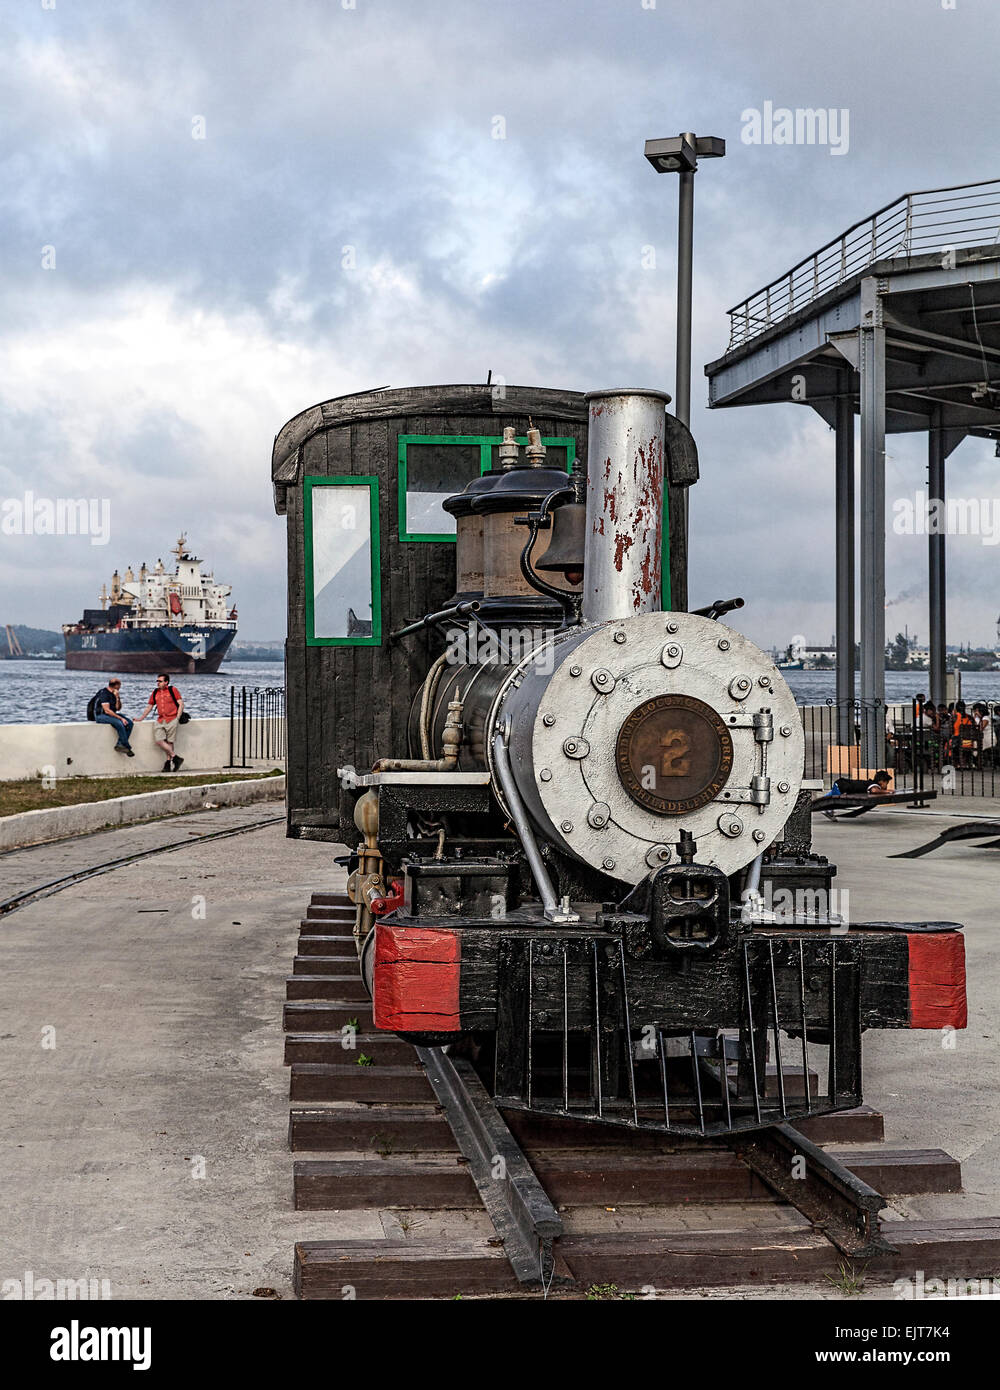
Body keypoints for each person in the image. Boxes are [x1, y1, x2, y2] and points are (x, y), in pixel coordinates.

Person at [136, 674, 185, 771]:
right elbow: (149, 707)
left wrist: (177, 718)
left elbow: (181, 704)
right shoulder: (155, 692)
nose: (158, 683)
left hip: (172, 719)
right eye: (157, 681)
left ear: (166, 682)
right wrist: (140, 718)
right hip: (160, 719)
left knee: (169, 742)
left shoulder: (173, 690)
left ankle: (168, 764)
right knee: (159, 741)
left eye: (160, 681)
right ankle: (176, 758)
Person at [95, 678, 135, 756]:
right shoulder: (104, 693)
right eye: (120, 685)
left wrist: (117, 697)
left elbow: (118, 708)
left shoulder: (114, 693)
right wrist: (120, 718)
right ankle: (127, 747)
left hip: (111, 714)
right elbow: (107, 710)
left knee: (129, 723)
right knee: (119, 723)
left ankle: (120, 744)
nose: (120, 687)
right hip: (101, 715)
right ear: (116, 685)